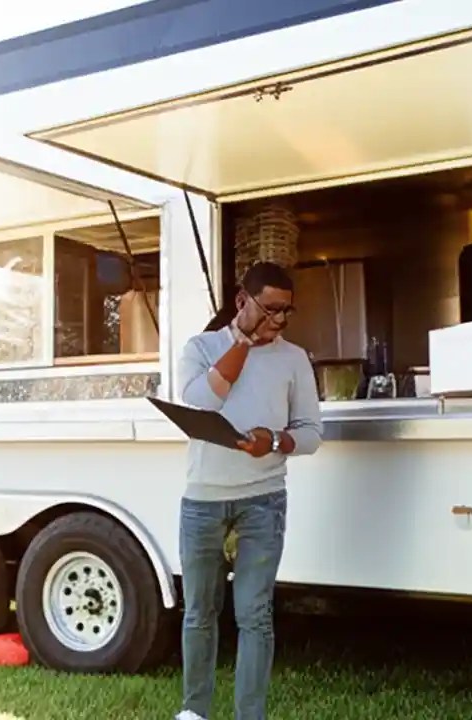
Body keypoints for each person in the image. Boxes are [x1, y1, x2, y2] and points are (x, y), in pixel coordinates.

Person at [174, 261, 323, 720]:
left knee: (254, 616)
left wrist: (275, 442)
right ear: (242, 301)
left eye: (286, 312)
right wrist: (242, 341)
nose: (277, 321)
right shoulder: (201, 347)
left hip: (263, 500)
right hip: (203, 501)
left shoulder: (294, 359)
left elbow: (312, 433)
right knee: (199, 613)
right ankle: (195, 711)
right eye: (269, 309)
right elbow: (202, 401)